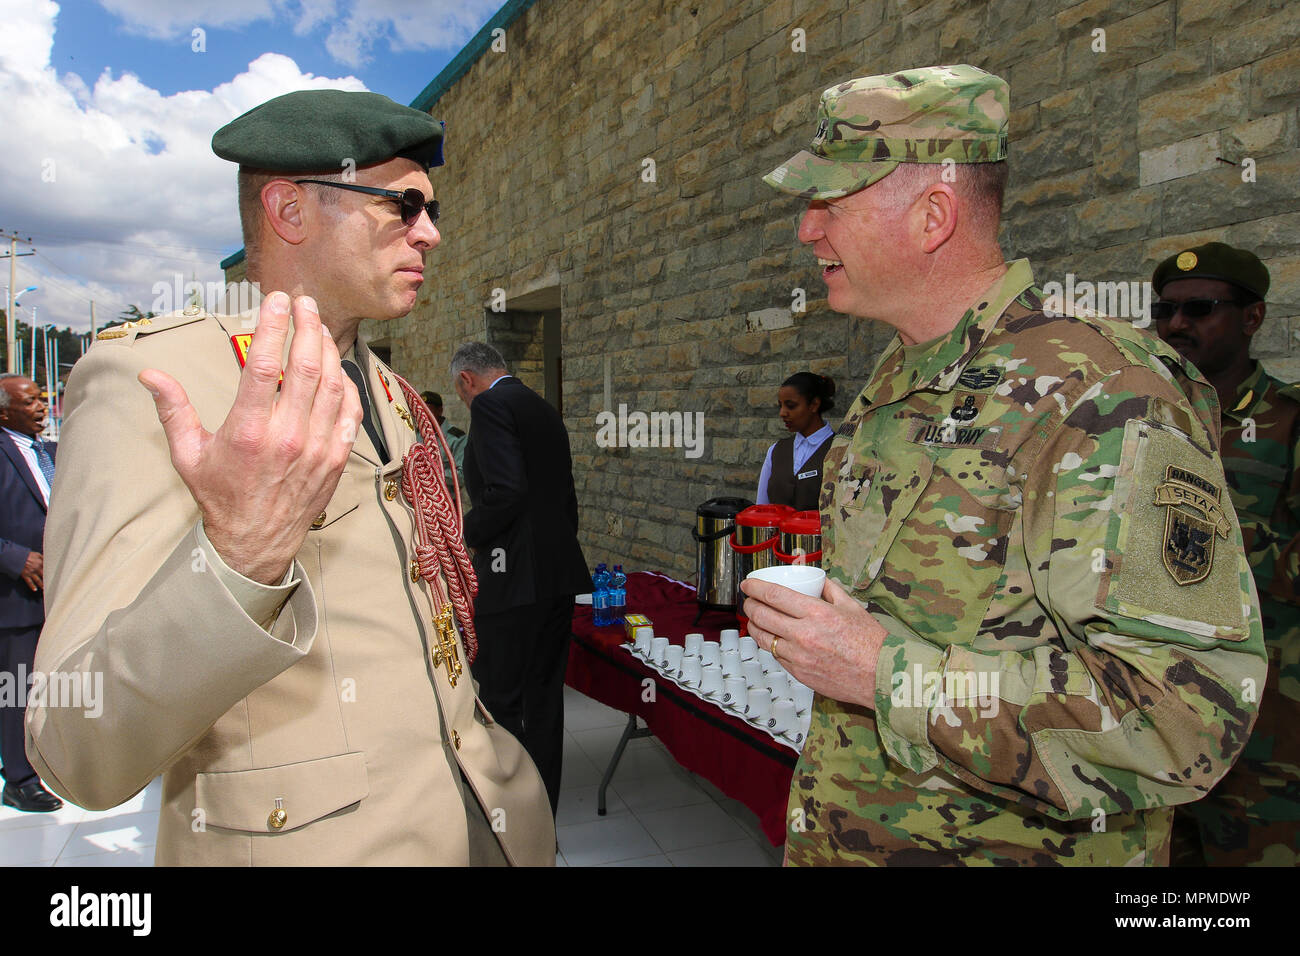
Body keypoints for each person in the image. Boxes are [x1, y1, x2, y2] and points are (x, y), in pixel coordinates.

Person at [741, 64, 1266, 866]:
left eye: (830, 203)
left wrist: (884, 670)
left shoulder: (1105, 392)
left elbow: (1182, 717)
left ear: (933, 215)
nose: (808, 231)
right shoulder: (898, 376)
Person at [26, 89, 554, 865]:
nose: (431, 234)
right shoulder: (155, 380)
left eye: (431, 210)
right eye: (404, 206)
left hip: (484, 819)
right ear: (291, 210)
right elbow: (75, 749)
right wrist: (239, 558)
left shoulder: (394, 396)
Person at [1152, 241, 1299, 866]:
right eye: (1166, 311)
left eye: (1200, 308)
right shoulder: (1144, 421)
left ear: (1252, 317)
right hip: (1153, 718)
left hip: (1263, 728)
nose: (1177, 324)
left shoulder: (1288, 423)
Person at [451, 342, 591, 817]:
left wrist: (460, 533)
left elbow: (506, 492)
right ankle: (543, 812)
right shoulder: (542, 407)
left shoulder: (491, 405)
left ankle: (511, 812)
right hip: (556, 576)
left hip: (510, 578)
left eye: (462, 395)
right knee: (546, 699)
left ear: (467, 380)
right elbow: (565, 499)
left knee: (502, 699)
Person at [0, 375, 62, 812]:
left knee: (56, 684)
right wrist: (14, 557)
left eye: (42, 398)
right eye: (31, 401)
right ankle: (19, 778)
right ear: (4, 412)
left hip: (60, 591)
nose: (42, 406)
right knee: (16, 688)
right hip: (14, 596)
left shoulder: (52, 451)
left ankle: (57, 758)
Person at [756, 371, 836, 509]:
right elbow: (761, 508)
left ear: (814, 404)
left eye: (791, 406)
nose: (782, 413)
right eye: (780, 405)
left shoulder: (841, 450)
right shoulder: (776, 451)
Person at [422, 389, 467, 492]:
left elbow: (462, 476)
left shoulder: (456, 438)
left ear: (439, 410)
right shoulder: (417, 435)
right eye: (420, 410)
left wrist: (433, 473)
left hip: (447, 502)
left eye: (428, 410)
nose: (423, 414)